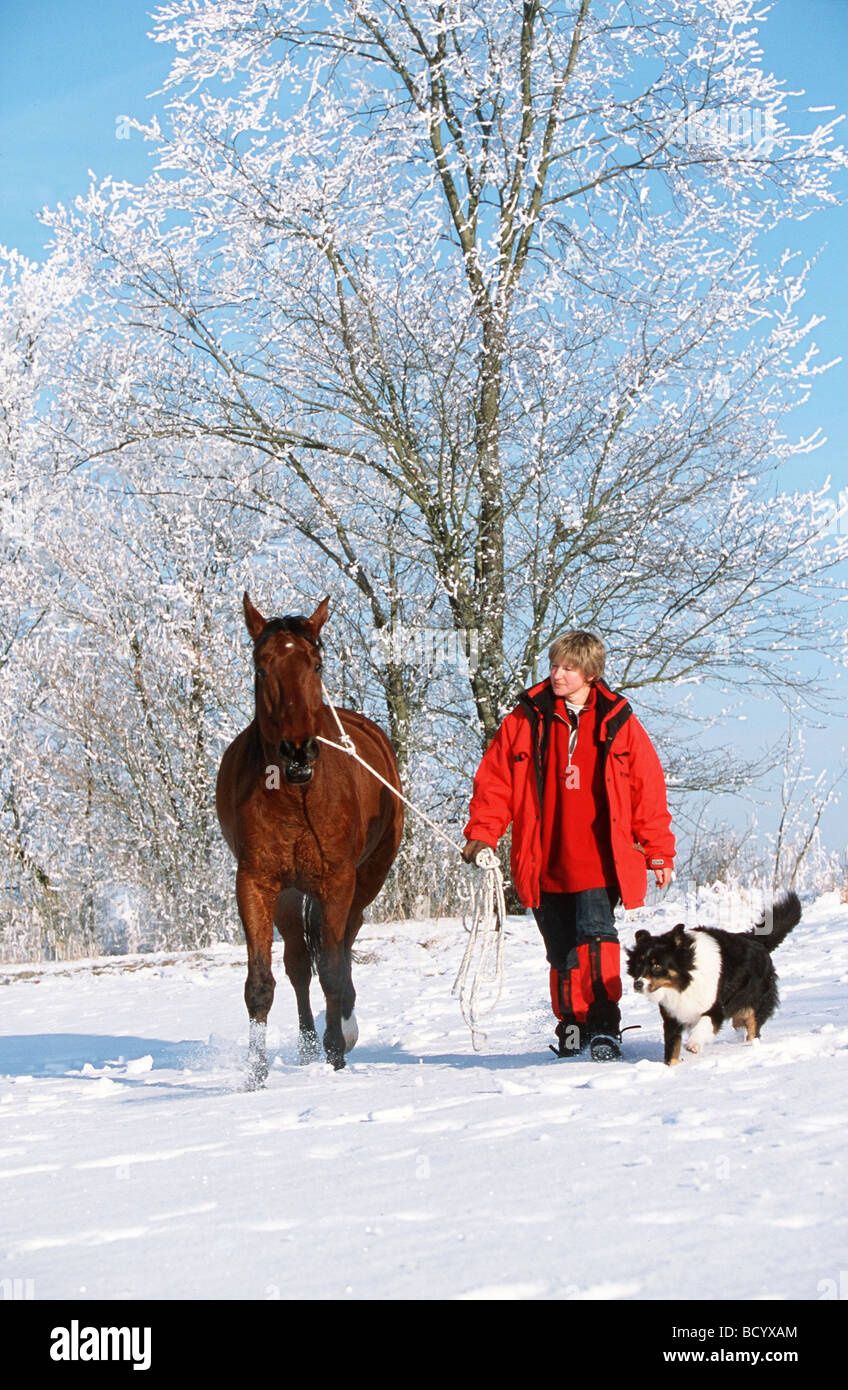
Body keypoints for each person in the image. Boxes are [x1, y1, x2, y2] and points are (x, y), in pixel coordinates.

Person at [462, 630, 675, 1060]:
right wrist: (483, 835)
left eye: (568, 668)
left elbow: (647, 789)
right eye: (554, 666)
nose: (557, 675)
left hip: (599, 857)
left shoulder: (619, 721)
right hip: (543, 857)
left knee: (597, 938)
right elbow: (495, 782)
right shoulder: (526, 719)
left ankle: (603, 1026)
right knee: (560, 951)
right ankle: (572, 1029)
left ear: (590, 674)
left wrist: (657, 850)